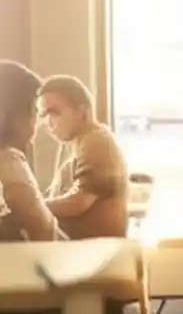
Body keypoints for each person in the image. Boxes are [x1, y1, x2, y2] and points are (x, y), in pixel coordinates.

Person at [39, 75, 129, 239]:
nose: (49, 124)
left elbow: (78, 203)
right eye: (45, 116)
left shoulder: (97, 142)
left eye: (54, 114)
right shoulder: (71, 144)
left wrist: (30, 206)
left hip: (96, 253)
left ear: (82, 112)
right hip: (77, 250)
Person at [0, 61, 60, 241]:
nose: (38, 122)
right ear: (14, 114)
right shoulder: (9, 161)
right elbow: (43, 228)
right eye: (35, 111)